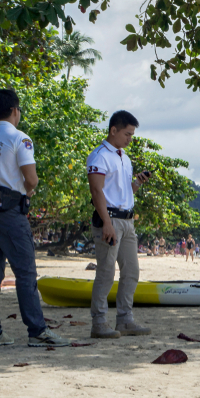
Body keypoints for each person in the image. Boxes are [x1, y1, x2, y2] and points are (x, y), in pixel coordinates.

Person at [0, 88, 68, 347]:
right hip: (10, 211)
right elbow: (31, 179)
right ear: (14, 110)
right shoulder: (20, 139)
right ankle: (37, 331)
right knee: (25, 272)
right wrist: (24, 190)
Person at [86, 110, 153, 339]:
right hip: (111, 218)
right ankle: (99, 322)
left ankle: (125, 319)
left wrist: (137, 183)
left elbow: (123, 191)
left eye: (132, 134)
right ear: (113, 130)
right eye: (127, 134)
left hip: (127, 219)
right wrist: (106, 222)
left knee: (131, 271)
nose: (130, 139)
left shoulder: (124, 157)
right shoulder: (100, 156)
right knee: (106, 271)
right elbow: (96, 191)